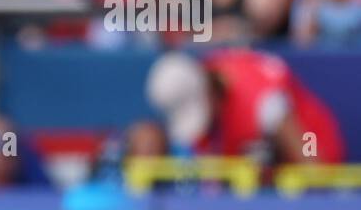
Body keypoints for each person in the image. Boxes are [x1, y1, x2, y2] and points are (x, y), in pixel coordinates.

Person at [145, 49, 346, 166]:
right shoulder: (210, 71)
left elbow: (312, 163)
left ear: (208, 91)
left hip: (310, 143)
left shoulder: (267, 106)